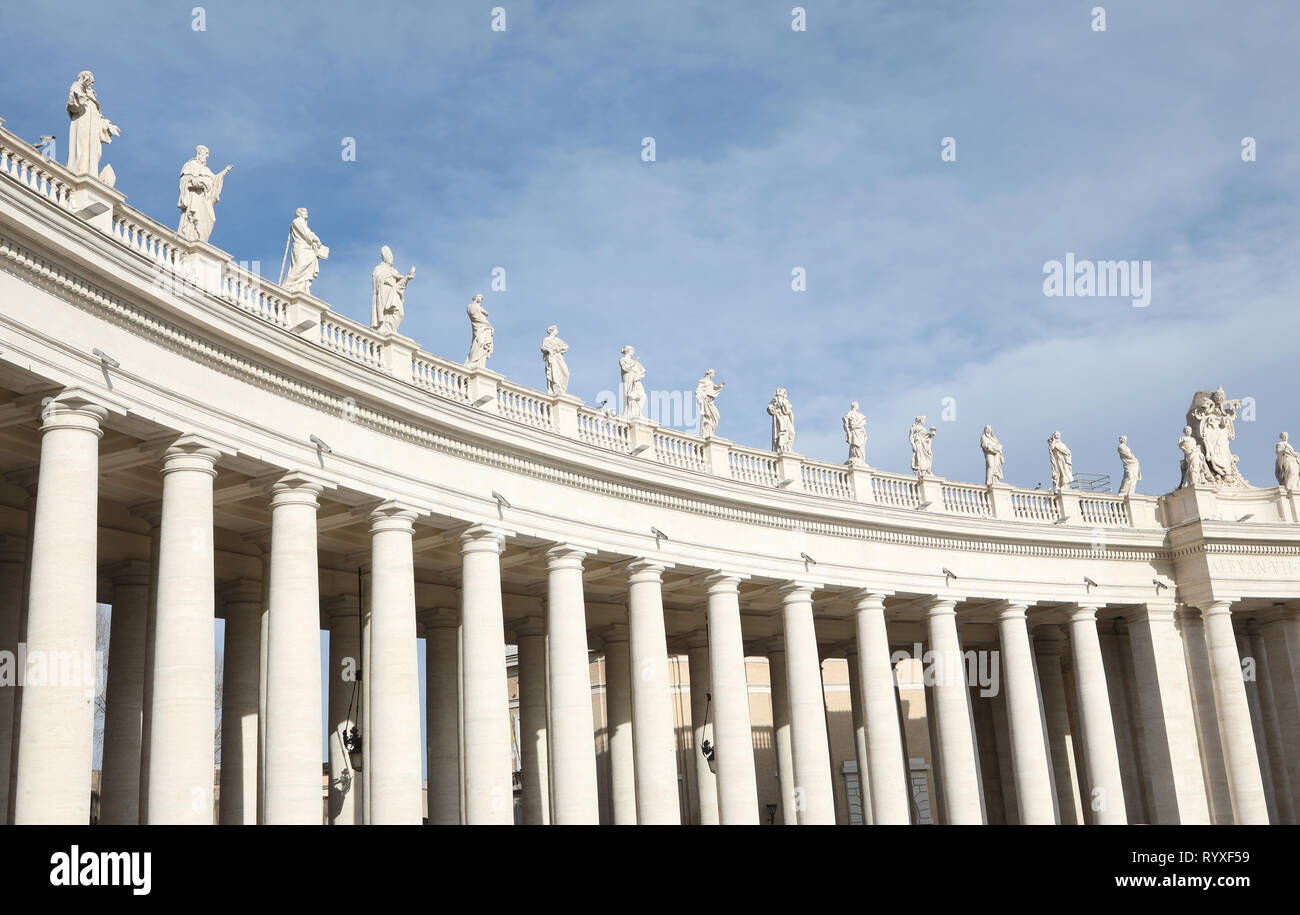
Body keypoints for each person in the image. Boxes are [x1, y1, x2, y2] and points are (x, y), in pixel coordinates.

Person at [66, 70, 119, 178]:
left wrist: (107, 127)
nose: (91, 83)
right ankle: (79, 172)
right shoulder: (77, 87)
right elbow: (73, 105)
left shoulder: (93, 101)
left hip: (93, 130)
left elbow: (98, 118)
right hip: (83, 124)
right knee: (81, 148)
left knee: (96, 152)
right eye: (89, 80)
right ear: (83, 79)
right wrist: (82, 91)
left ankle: (90, 174)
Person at [176, 145, 233, 243]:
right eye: (206, 153)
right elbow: (185, 180)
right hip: (195, 198)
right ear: (200, 153)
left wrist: (224, 172)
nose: (207, 156)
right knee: (194, 219)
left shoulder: (206, 170)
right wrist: (198, 183)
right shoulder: (190, 165)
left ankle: (201, 241)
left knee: (211, 219)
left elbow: (214, 180)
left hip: (204, 199)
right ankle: (193, 239)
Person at [370, 246, 415, 334]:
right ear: (385, 259)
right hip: (385, 292)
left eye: (392, 258)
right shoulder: (379, 268)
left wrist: (408, 277)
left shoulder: (393, 270)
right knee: (388, 312)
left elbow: (400, 282)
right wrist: (388, 279)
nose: (392, 260)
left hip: (394, 293)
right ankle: (385, 328)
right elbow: (377, 279)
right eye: (390, 258)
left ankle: (392, 329)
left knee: (400, 313)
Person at [283, 208, 327, 294]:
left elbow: (308, 233)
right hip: (301, 248)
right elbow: (306, 233)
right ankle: (288, 286)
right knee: (299, 266)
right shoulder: (297, 221)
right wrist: (316, 239)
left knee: (306, 267)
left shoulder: (304, 224)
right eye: (303, 211)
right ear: (299, 213)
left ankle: (302, 287)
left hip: (307, 249)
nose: (306, 212)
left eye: (306, 211)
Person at [465, 295, 494, 369]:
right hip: (479, 325)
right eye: (479, 297)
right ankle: (474, 361)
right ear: (475, 298)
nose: (480, 299)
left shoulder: (480, 308)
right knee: (478, 341)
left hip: (484, 325)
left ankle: (480, 363)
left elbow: (486, 313)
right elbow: (472, 314)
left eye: (481, 298)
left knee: (483, 344)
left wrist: (486, 322)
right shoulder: (470, 306)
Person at [695, 369, 725, 438]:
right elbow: (698, 390)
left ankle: (711, 432)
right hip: (705, 400)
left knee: (716, 415)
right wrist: (703, 396)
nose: (713, 375)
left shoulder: (710, 382)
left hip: (710, 401)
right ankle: (707, 433)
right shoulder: (702, 381)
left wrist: (720, 386)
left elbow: (715, 388)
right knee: (707, 416)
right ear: (710, 374)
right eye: (713, 374)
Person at [541, 326, 570, 395]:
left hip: (559, 358)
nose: (557, 331)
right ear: (552, 331)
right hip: (552, 358)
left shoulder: (558, 340)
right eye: (556, 330)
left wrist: (558, 349)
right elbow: (542, 348)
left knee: (566, 373)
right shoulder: (546, 339)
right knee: (554, 373)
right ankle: (556, 389)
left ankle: (562, 389)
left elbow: (566, 347)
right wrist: (548, 350)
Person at [620, 346, 646, 419]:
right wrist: (634, 363)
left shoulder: (636, 362)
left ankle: (638, 412)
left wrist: (639, 375)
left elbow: (643, 370)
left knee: (642, 395)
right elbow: (625, 368)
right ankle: (630, 413)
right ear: (628, 351)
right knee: (631, 394)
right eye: (632, 350)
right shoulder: (623, 359)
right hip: (628, 377)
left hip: (636, 378)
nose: (633, 352)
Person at [768, 388, 795, 453]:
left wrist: (784, 404)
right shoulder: (774, 400)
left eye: (781, 392)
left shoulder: (786, 401)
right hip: (780, 418)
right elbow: (770, 410)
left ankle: (788, 447)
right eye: (779, 392)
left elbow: (788, 411)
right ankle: (782, 448)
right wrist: (775, 407)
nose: (780, 394)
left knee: (792, 432)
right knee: (781, 433)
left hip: (786, 419)